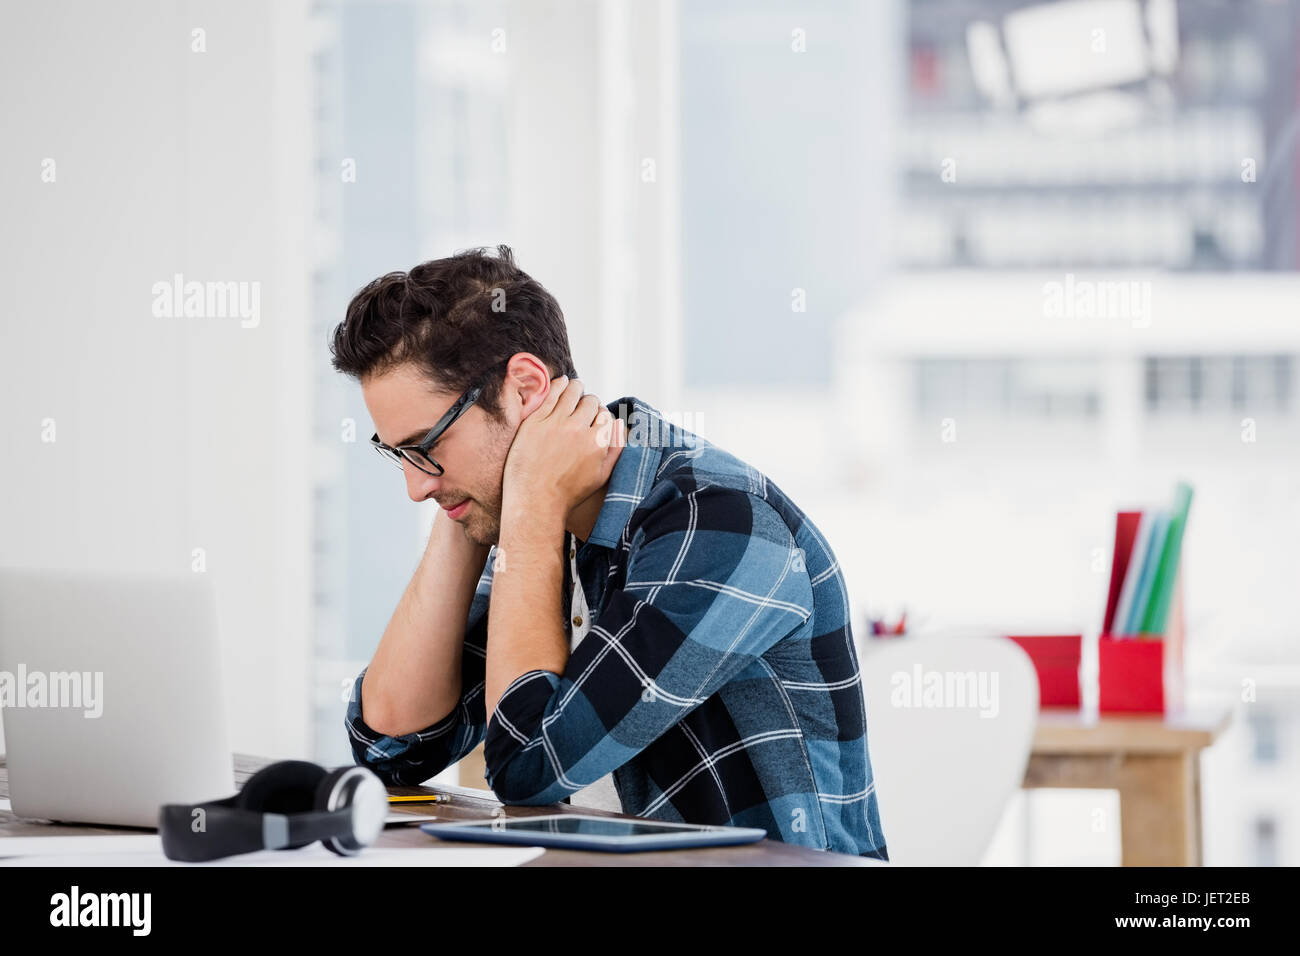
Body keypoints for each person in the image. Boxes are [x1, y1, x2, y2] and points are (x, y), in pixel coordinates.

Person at [330, 245, 888, 858]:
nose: (415, 487)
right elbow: (392, 746)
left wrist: (528, 502)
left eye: (426, 446)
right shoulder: (541, 526)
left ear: (526, 389)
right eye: (399, 455)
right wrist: (464, 510)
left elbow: (528, 764)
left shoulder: (717, 526)